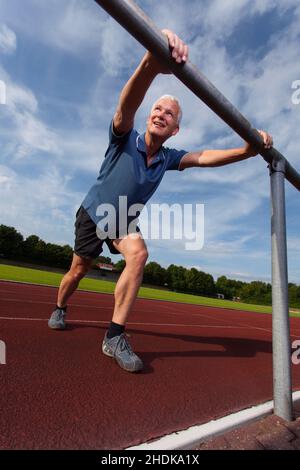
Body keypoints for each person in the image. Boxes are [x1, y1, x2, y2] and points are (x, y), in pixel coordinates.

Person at [48, 29, 273, 373]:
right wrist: (151, 63)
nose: (162, 114)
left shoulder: (168, 158)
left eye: (170, 114)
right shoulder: (124, 139)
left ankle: (114, 336)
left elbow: (205, 157)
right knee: (78, 270)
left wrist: (247, 150)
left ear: (174, 130)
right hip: (94, 212)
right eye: (158, 108)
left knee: (139, 253)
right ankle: (61, 306)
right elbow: (127, 106)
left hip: (122, 219)